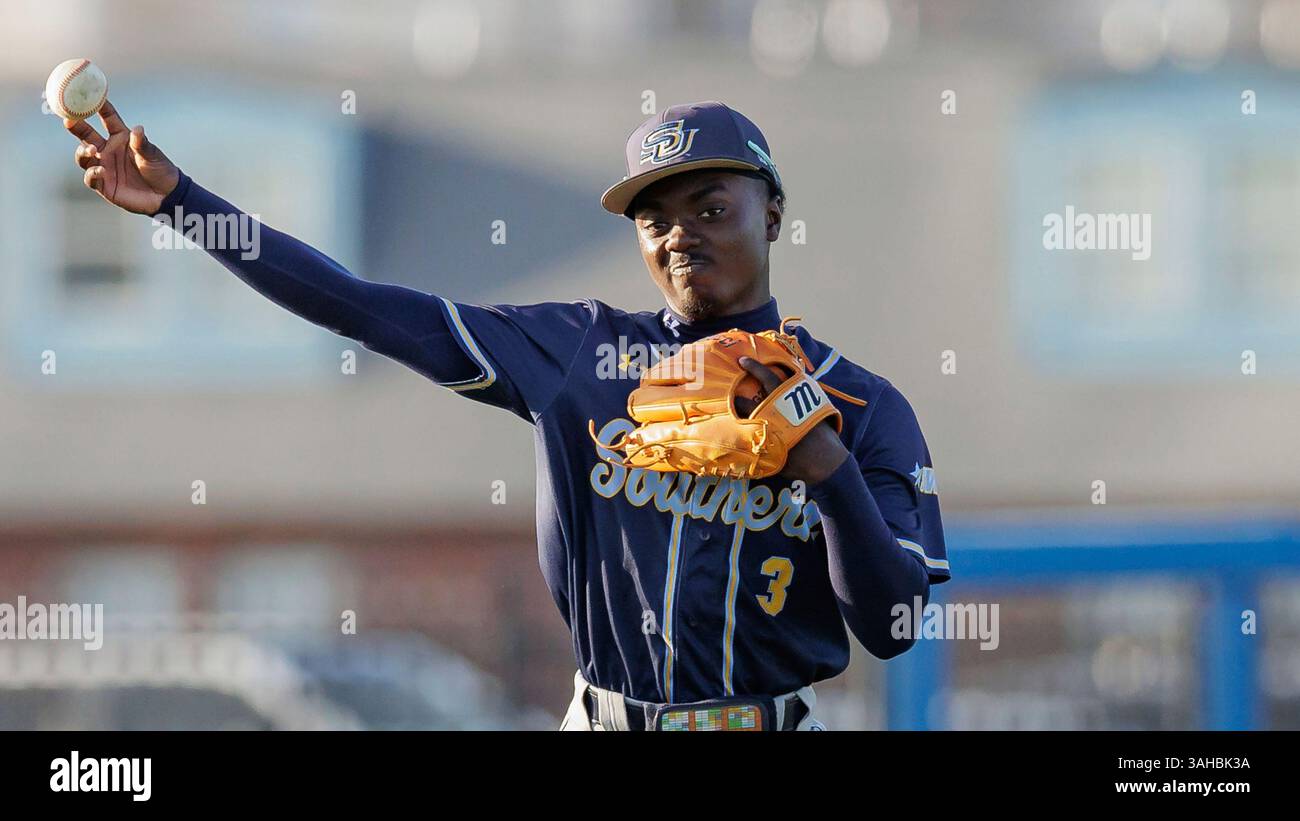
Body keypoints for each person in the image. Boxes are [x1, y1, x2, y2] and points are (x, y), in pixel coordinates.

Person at [64, 99, 949, 731]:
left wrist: (829, 474)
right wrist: (187, 206)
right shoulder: (580, 355)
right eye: (655, 218)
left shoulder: (860, 404)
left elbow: (894, 628)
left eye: (712, 207)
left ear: (774, 213)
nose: (680, 233)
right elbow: (364, 306)